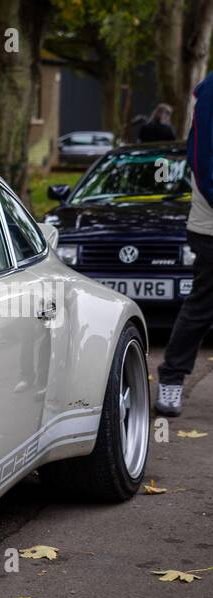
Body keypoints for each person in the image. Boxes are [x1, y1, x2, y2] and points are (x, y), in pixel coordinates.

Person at [157, 81, 213, 416]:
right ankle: (172, 379)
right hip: (210, 227)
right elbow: (202, 160)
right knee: (203, 305)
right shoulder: (210, 92)